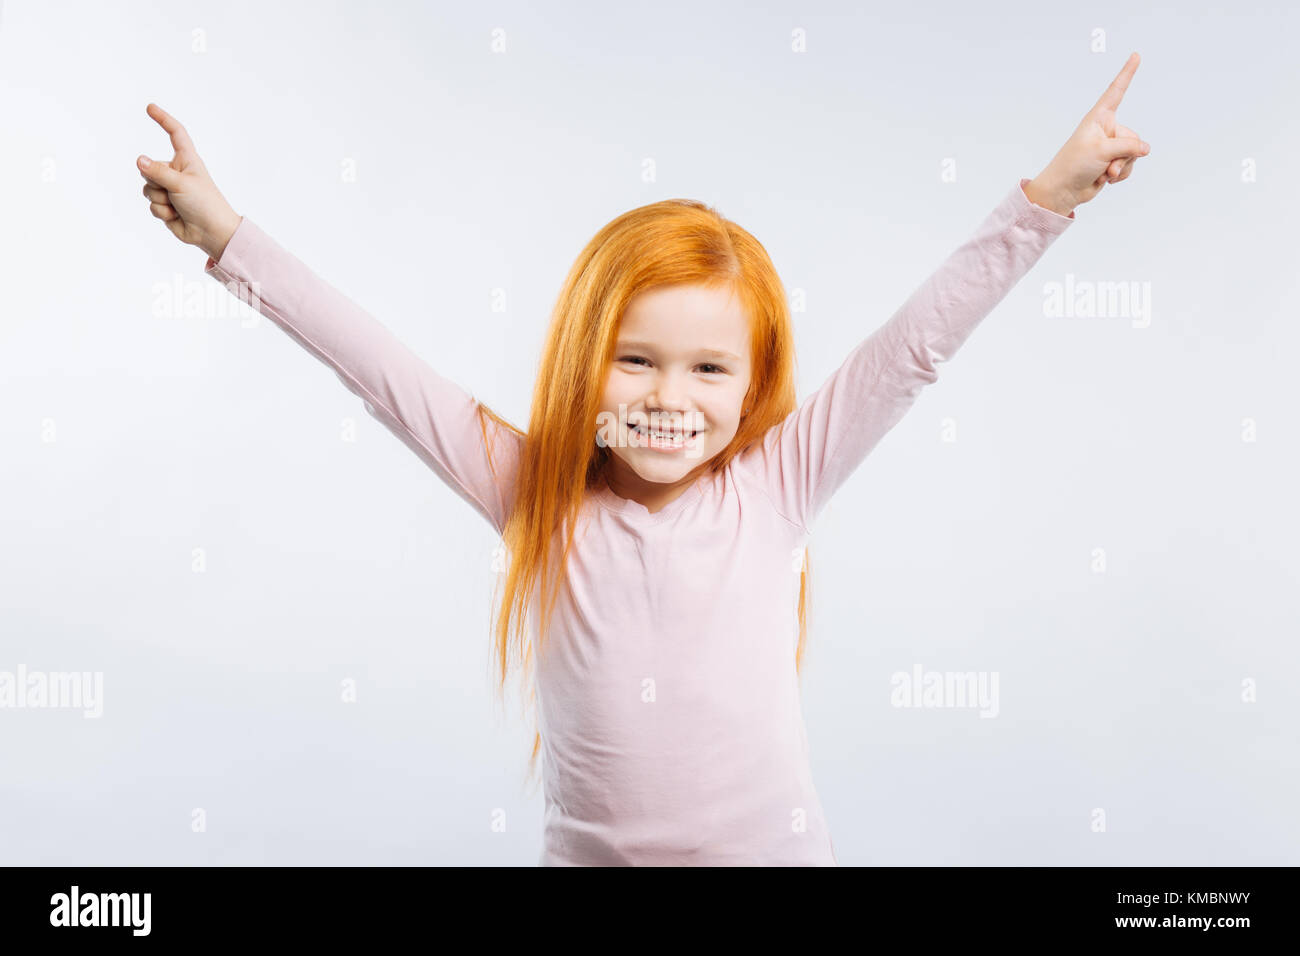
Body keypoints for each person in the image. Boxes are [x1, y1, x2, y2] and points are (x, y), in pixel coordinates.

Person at [136, 54, 1149, 866]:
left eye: (709, 367)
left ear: (750, 388)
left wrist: (1041, 203)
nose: (670, 399)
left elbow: (916, 344)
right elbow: (376, 367)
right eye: (636, 360)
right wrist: (229, 239)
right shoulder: (532, 492)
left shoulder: (777, 483)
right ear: (587, 358)